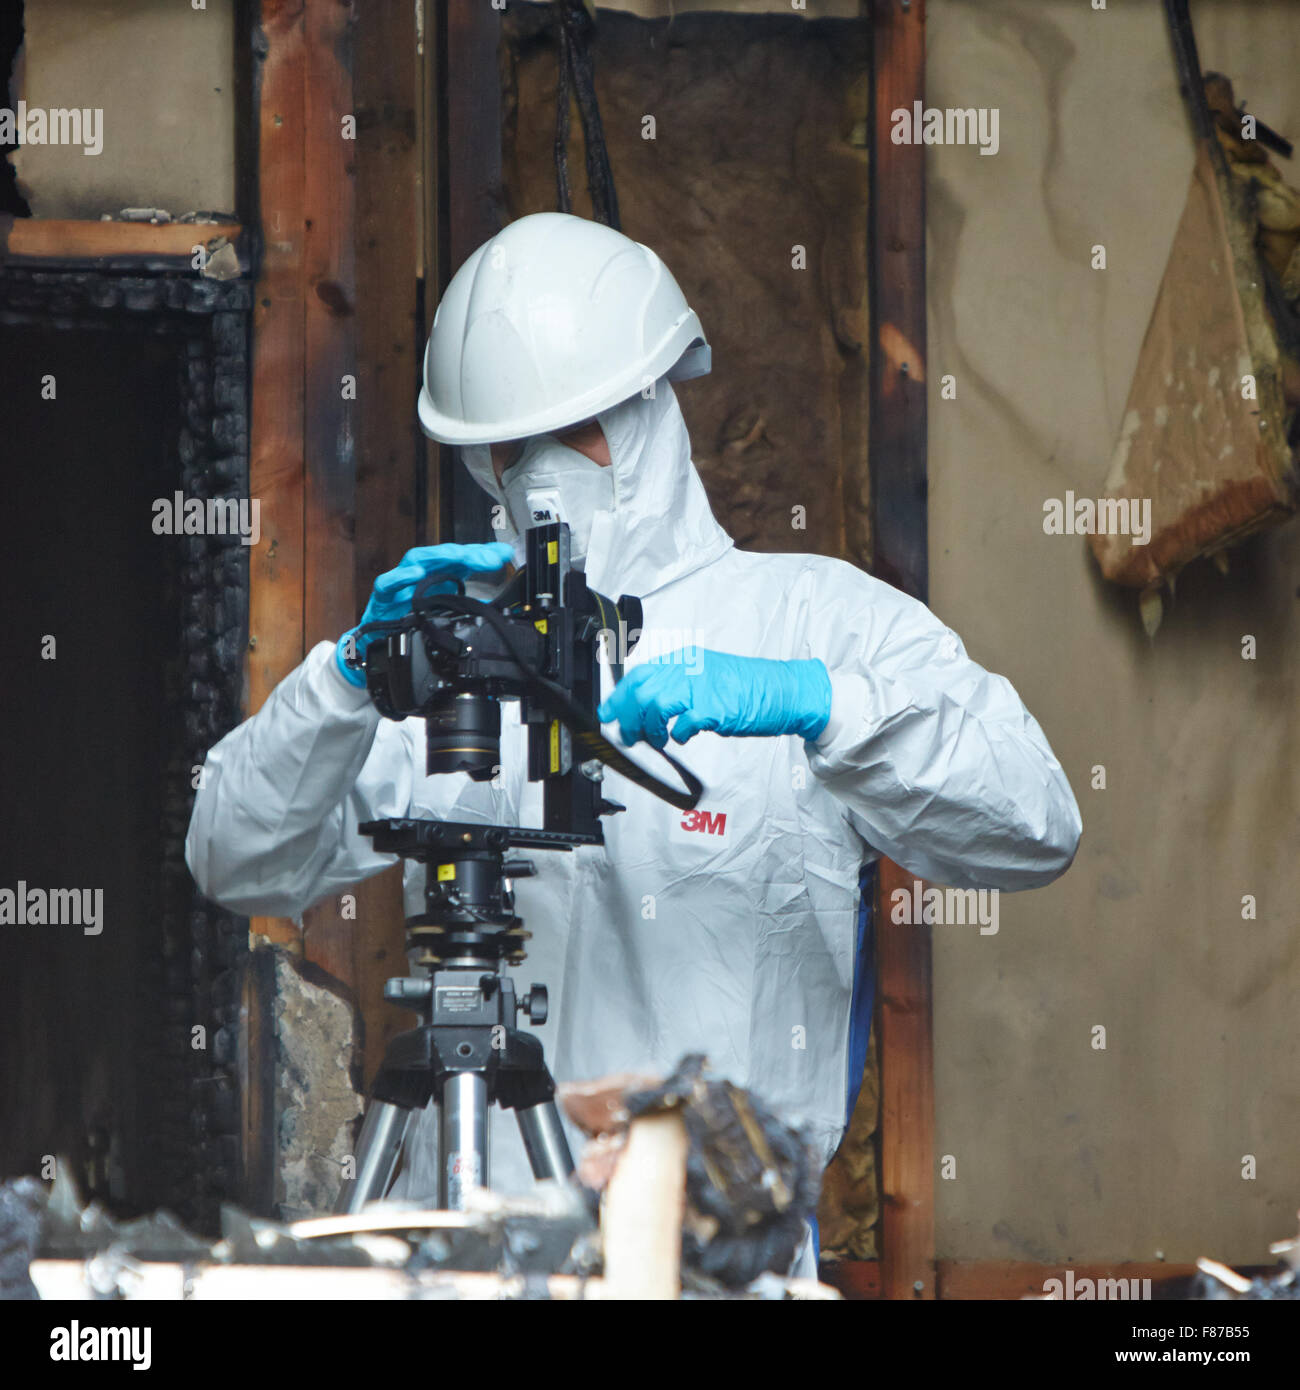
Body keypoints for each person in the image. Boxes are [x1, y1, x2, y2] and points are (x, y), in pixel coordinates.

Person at [186, 212, 1081, 1260]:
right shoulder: (457, 649)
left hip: (707, 1252)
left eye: (580, 429)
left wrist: (822, 702)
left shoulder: (818, 622)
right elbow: (236, 857)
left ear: (654, 404)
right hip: (481, 1251)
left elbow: (1032, 824)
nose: (542, 471)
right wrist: (345, 680)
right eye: (510, 445)